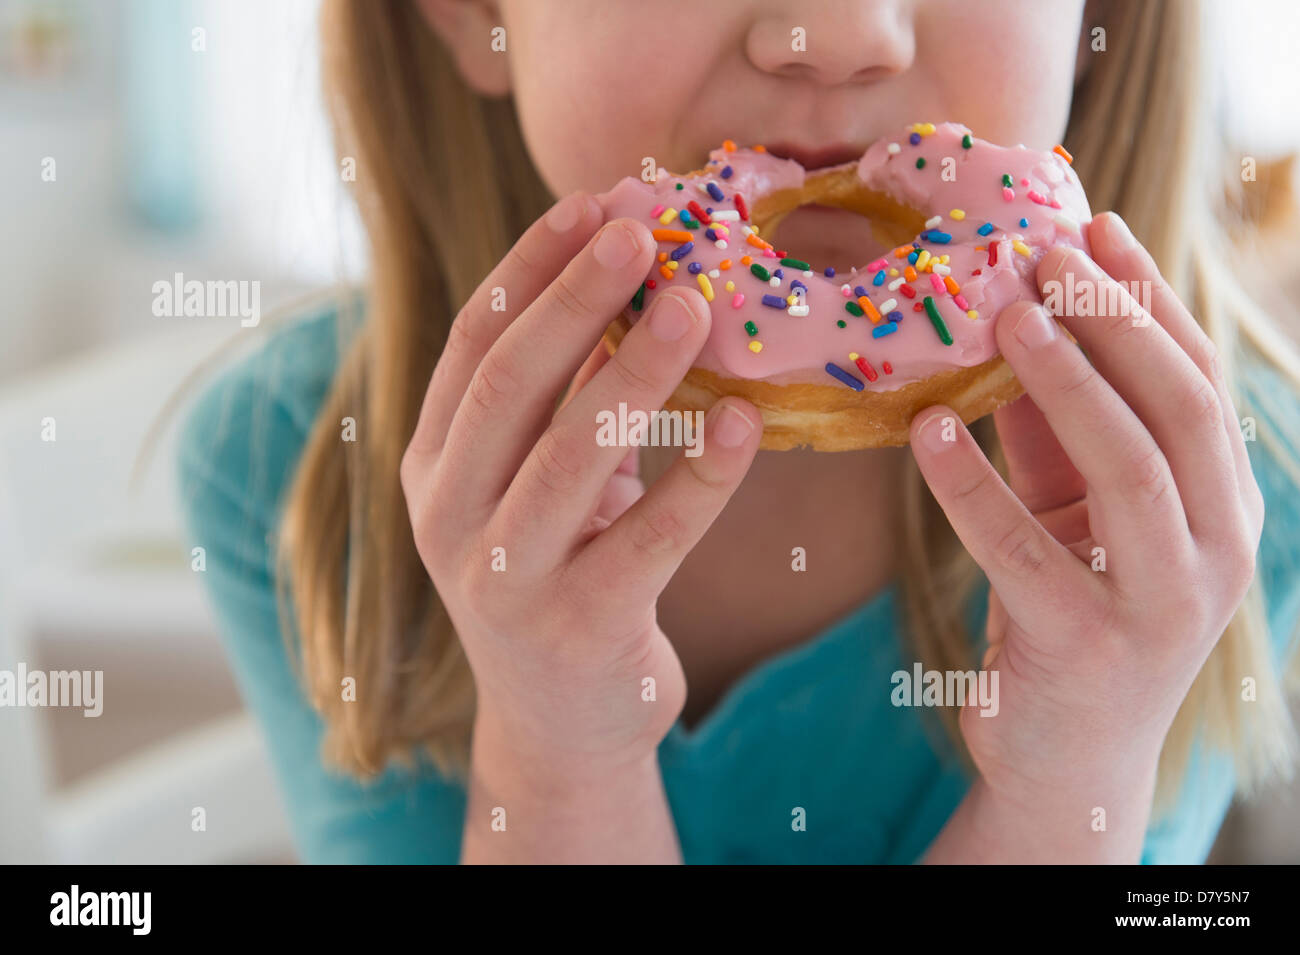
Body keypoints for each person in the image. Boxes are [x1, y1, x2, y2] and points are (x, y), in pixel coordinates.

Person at [178, 0, 1300, 863]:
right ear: (476, 12)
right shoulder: (299, 460)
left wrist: (1068, 779)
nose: (839, 35)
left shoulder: (1219, 491)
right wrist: (557, 755)